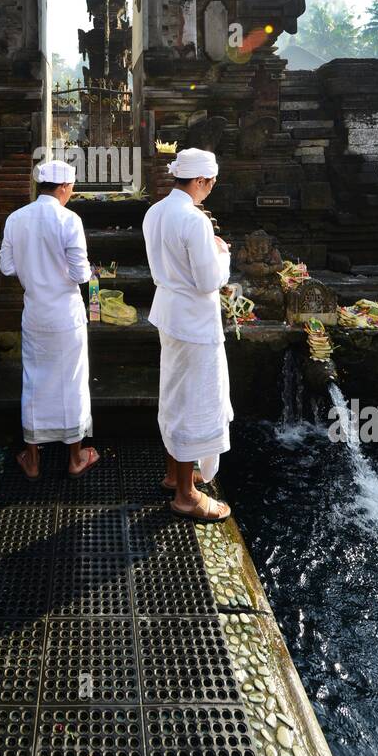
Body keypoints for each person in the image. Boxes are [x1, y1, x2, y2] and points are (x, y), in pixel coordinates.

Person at [142, 147, 232, 522]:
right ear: (199, 180)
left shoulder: (154, 211)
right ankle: (186, 494)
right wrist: (224, 254)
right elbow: (209, 280)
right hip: (194, 320)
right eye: (209, 183)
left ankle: (172, 473)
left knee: (176, 392)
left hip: (169, 312)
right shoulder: (194, 220)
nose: (210, 189)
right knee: (195, 401)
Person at [0, 158, 99, 481]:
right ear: (65, 188)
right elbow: (82, 275)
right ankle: (75, 457)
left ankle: (32, 459)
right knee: (71, 382)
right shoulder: (70, 220)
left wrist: (35, 269)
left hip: (35, 314)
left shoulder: (16, 219)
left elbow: (7, 268)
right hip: (66, 316)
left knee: (34, 380)